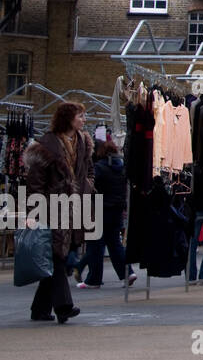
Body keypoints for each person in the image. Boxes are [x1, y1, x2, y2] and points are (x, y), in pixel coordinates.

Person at [24, 102, 95, 323]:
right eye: (80, 116)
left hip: (75, 207)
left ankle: (39, 309)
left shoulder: (83, 141)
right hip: (51, 208)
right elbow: (35, 182)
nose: (84, 119)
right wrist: (33, 213)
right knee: (58, 258)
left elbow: (89, 169)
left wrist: (88, 185)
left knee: (59, 257)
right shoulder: (46, 144)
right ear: (68, 118)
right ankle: (64, 307)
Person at [78, 140, 136, 289]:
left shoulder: (99, 168)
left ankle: (94, 279)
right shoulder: (122, 168)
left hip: (100, 209)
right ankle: (127, 272)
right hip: (116, 210)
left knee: (95, 244)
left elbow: (90, 186)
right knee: (115, 243)